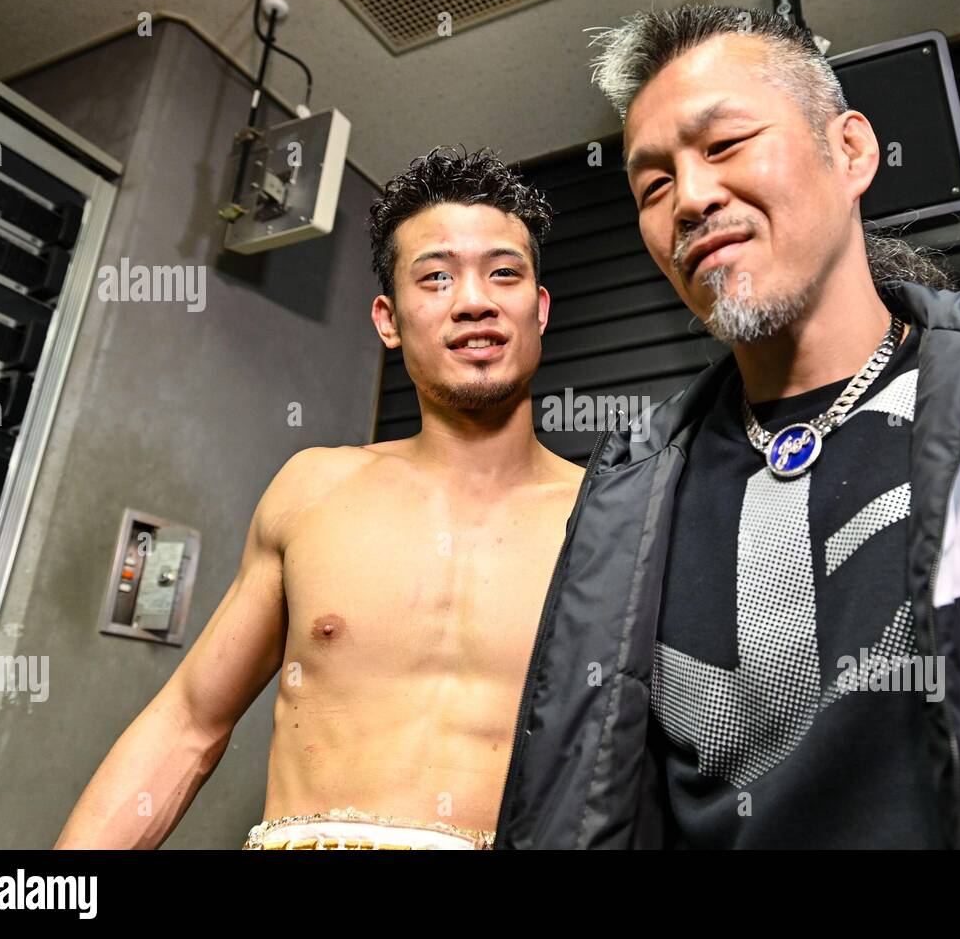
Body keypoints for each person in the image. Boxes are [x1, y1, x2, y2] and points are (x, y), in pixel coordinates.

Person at [494, 4, 960, 848]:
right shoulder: (623, 508)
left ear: (851, 150)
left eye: (726, 144)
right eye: (653, 185)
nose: (692, 198)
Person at [56, 146, 583, 850]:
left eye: (503, 273)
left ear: (539, 308)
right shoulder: (315, 490)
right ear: (388, 320)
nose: (474, 300)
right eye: (435, 277)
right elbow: (188, 724)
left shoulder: (607, 519)